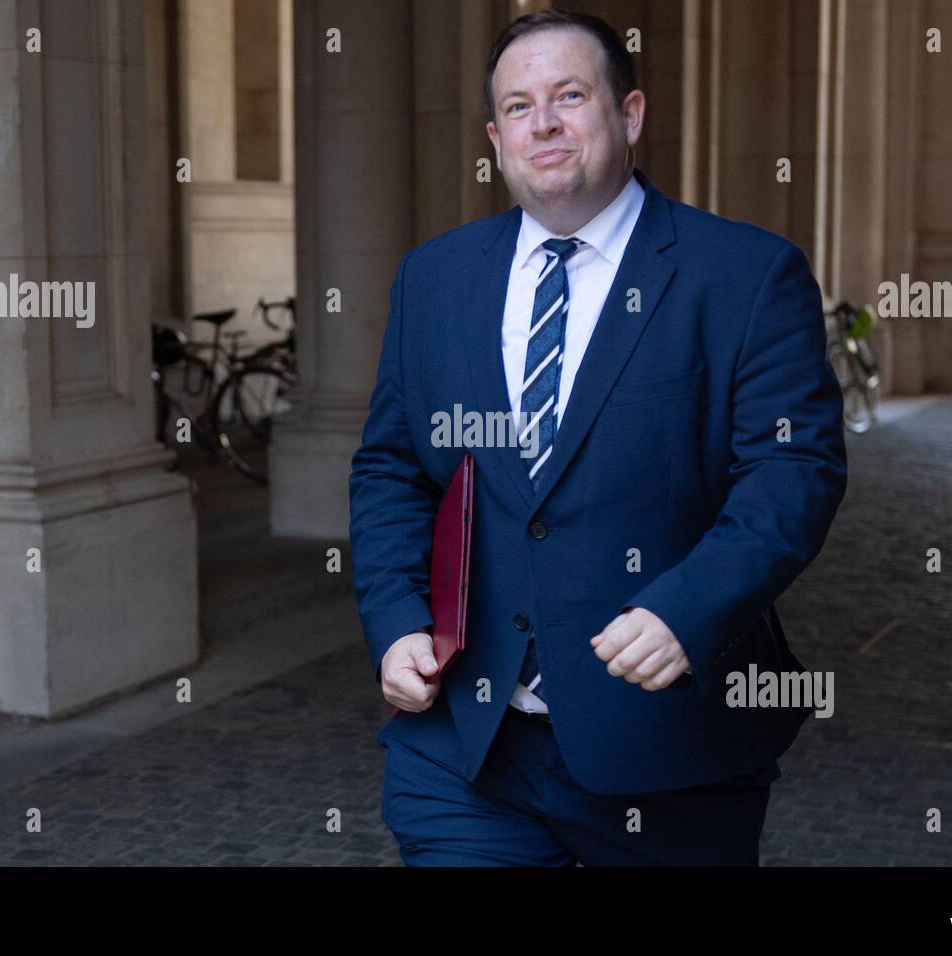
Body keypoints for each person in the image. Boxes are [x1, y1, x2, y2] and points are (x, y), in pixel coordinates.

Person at [349, 8, 847, 866]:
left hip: (667, 750)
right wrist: (397, 621)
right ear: (496, 139)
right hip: (467, 751)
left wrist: (689, 607)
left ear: (630, 114)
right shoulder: (434, 278)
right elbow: (394, 470)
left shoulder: (745, 274)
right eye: (517, 106)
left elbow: (791, 469)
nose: (541, 123)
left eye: (569, 95)